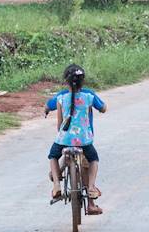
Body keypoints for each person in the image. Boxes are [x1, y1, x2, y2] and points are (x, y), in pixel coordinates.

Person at [44, 63, 106, 215]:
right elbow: (103, 108)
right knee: (92, 160)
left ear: (66, 81)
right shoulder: (89, 95)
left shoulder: (61, 97)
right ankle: (91, 188)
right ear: (82, 81)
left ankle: (56, 184)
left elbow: (58, 124)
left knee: (53, 155)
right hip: (84, 140)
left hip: (64, 139)